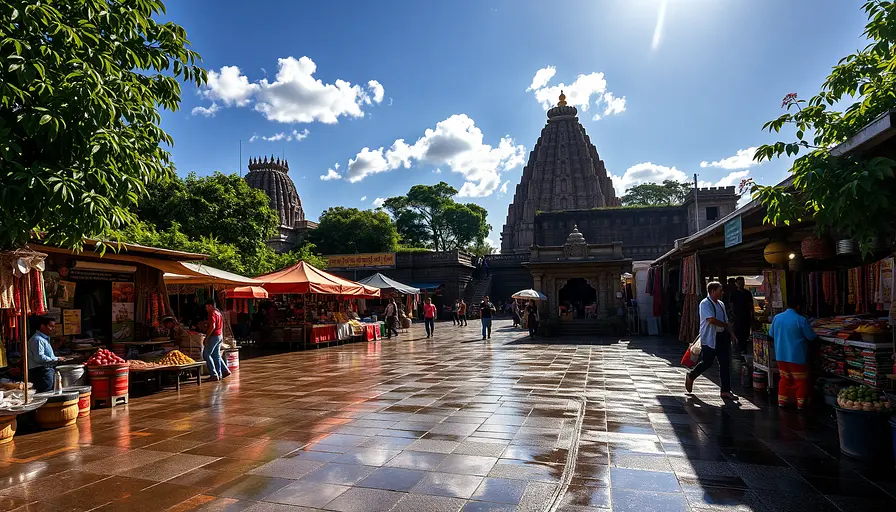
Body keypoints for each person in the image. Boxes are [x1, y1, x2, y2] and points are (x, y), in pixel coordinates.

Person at [685, 281, 739, 400]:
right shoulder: (705, 304)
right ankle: (691, 375)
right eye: (720, 290)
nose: (722, 293)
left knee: (725, 363)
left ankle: (725, 390)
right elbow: (711, 320)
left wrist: (731, 334)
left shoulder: (721, 304)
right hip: (709, 338)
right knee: (707, 362)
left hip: (722, 337)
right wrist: (725, 324)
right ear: (712, 291)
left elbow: (726, 322)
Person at [769, 295, 817, 410]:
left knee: (785, 379)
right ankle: (800, 404)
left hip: (781, 355)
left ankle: (782, 402)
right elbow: (811, 337)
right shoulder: (801, 319)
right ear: (798, 306)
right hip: (797, 356)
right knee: (800, 380)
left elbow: (771, 334)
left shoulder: (777, 318)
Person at [28, 316, 63, 392]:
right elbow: (39, 358)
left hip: (46, 371)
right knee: (46, 394)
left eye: (54, 326)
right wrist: (56, 359)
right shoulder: (37, 339)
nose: (53, 329)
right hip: (41, 373)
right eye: (51, 326)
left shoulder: (43, 339)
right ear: (42, 326)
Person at [203, 300, 230, 381]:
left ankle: (214, 374)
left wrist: (206, 338)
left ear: (210, 306)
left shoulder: (212, 313)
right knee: (216, 355)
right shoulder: (218, 312)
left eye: (207, 306)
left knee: (206, 354)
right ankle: (224, 371)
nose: (206, 308)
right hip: (219, 335)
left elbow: (212, 326)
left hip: (214, 336)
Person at [729, 277, 755, 356]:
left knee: (746, 332)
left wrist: (752, 314)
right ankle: (739, 348)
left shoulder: (748, 293)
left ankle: (743, 347)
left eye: (742, 283)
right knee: (738, 332)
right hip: (737, 316)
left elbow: (751, 304)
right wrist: (733, 315)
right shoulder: (733, 294)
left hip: (746, 315)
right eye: (739, 283)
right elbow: (731, 305)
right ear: (736, 284)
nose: (741, 285)